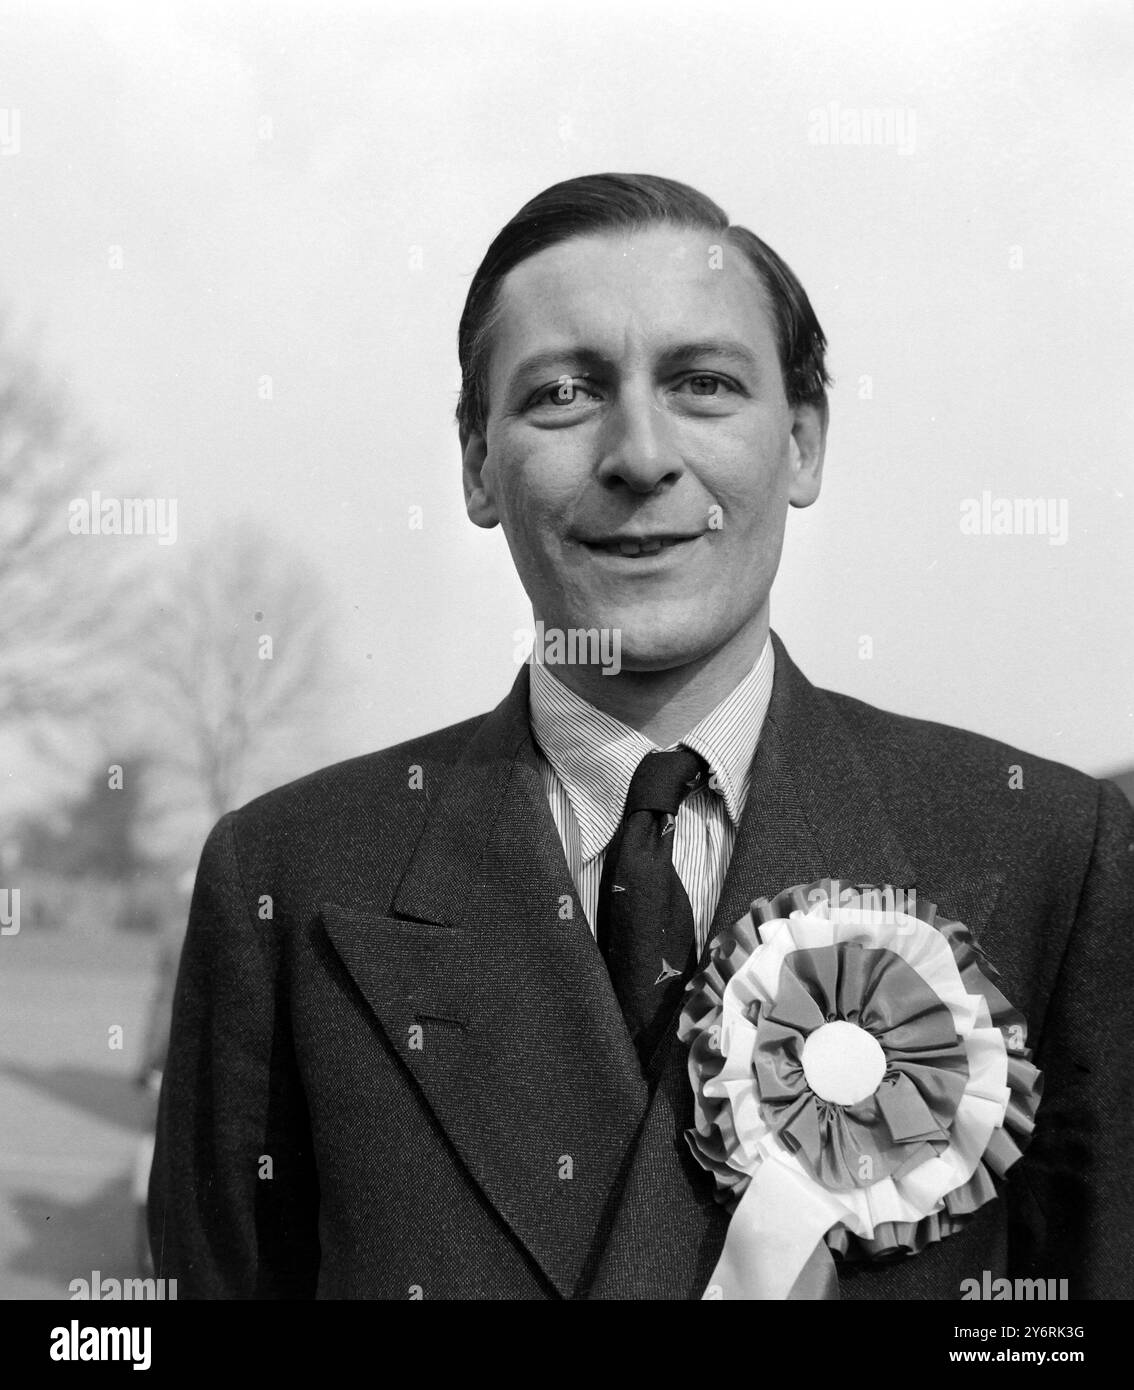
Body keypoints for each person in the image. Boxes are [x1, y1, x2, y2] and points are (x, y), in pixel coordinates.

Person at [149, 173, 1134, 1300]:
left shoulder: (1050, 855)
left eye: (704, 384)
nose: (641, 455)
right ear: (476, 464)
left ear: (803, 442)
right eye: (565, 394)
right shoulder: (291, 879)